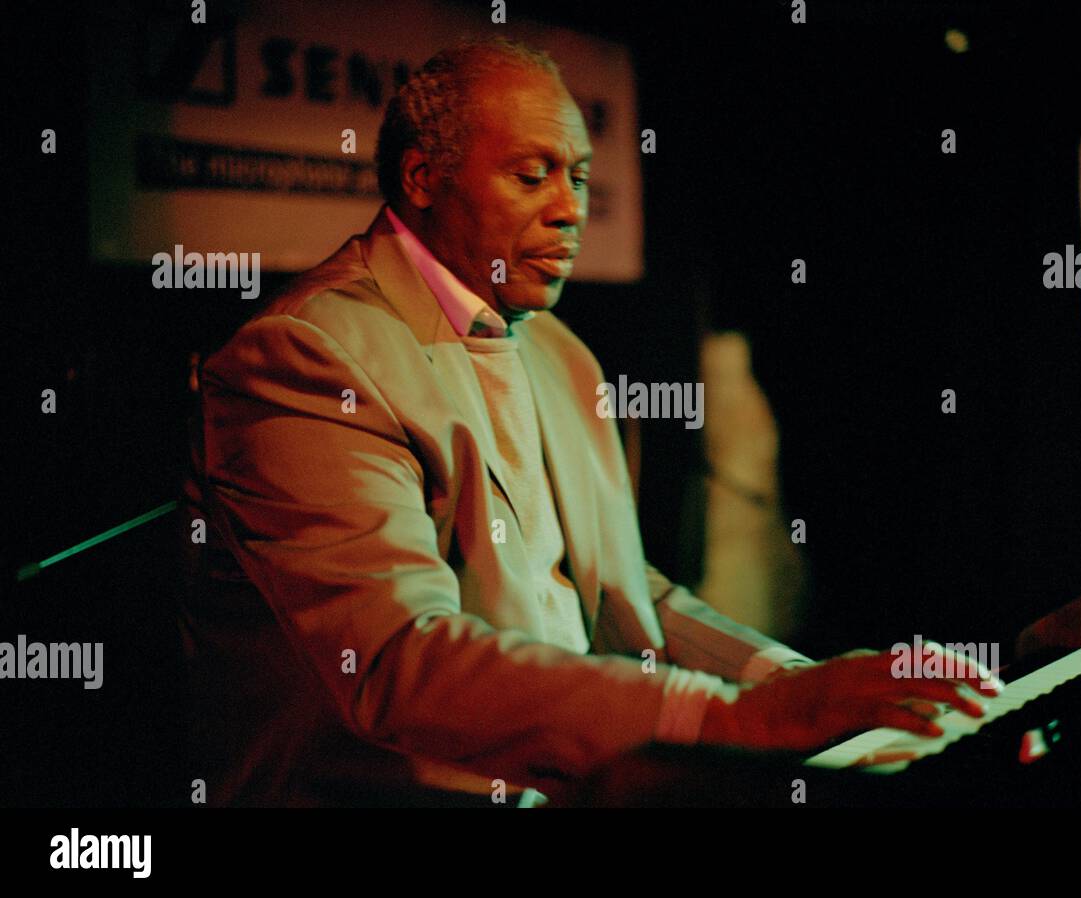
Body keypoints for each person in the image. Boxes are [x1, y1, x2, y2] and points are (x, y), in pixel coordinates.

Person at [179, 36, 998, 807]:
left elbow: (624, 592)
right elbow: (400, 661)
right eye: (532, 175)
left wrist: (781, 680)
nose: (570, 208)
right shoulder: (304, 355)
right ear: (422, 178)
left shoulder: (559, 351)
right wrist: (736, 720)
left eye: (576, 176)